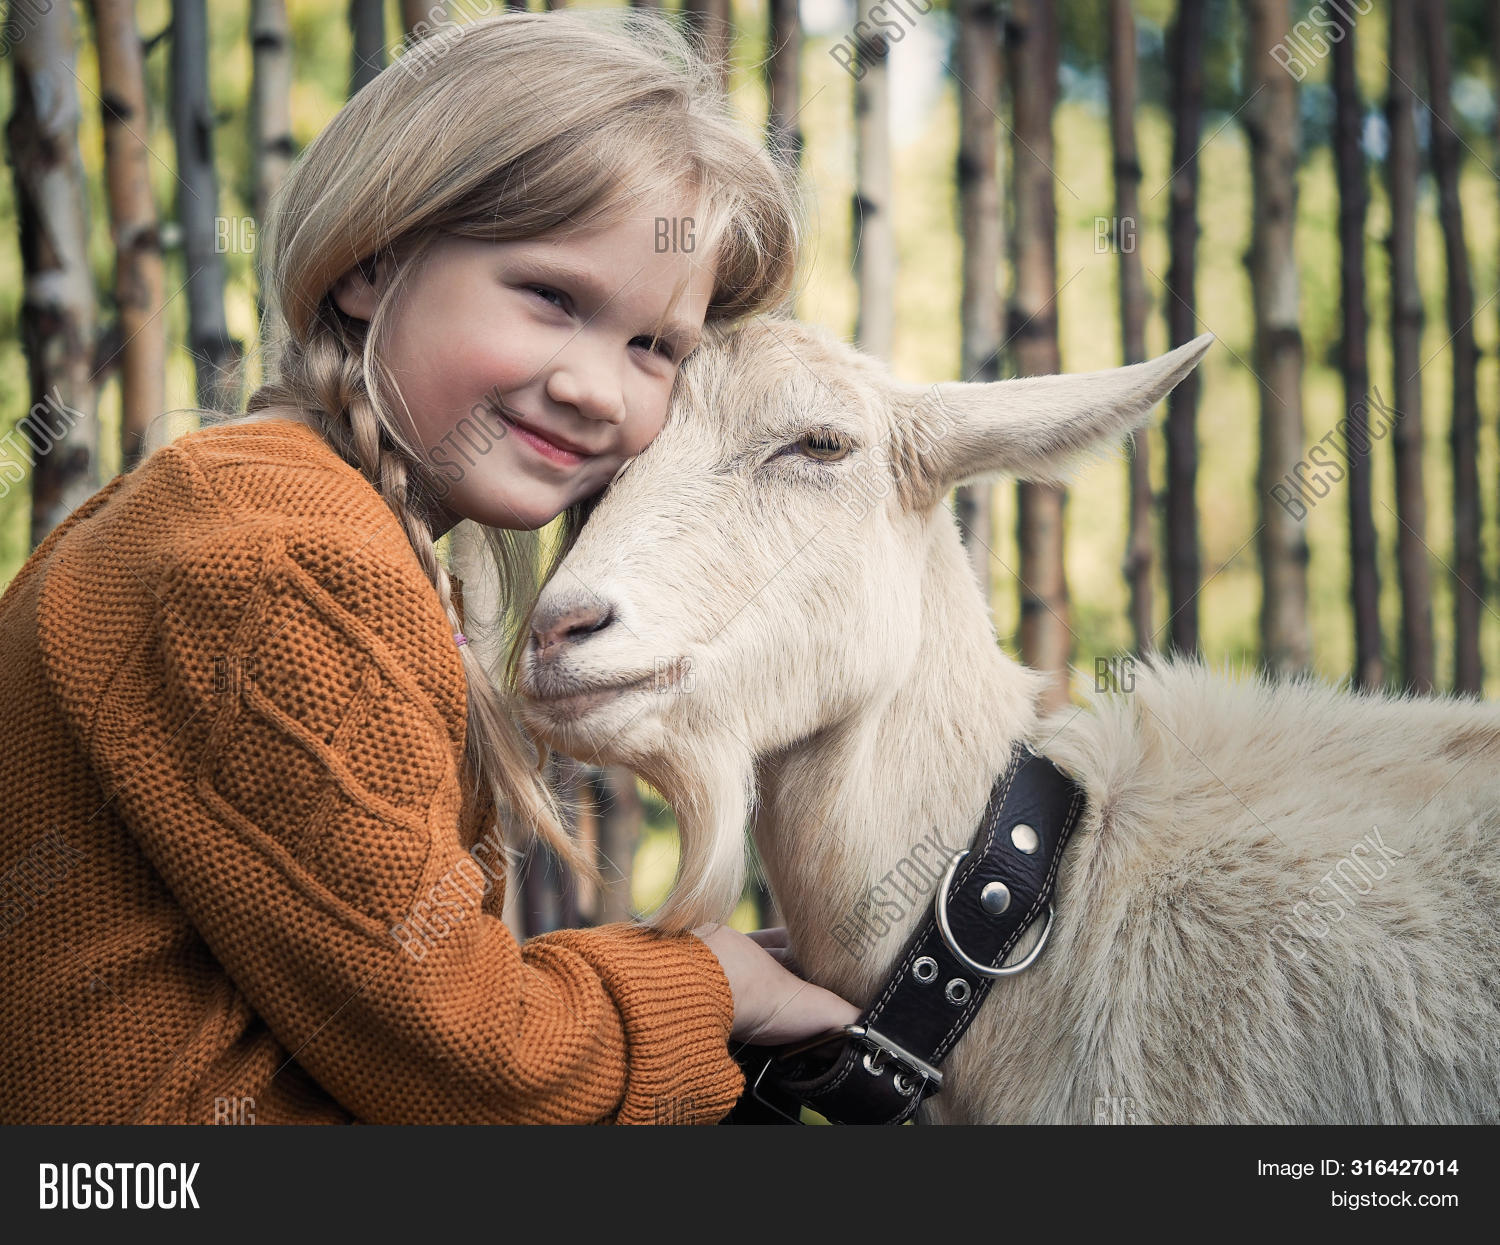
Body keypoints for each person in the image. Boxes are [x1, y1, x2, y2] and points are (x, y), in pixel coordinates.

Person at [0, 9, 857, 1126]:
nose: (597, 387)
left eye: (655, 349)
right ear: (370, 263)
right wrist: (711, 986)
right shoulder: (286, 564)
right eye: (552, 298)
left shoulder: (301, 516)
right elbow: (465, 1064)